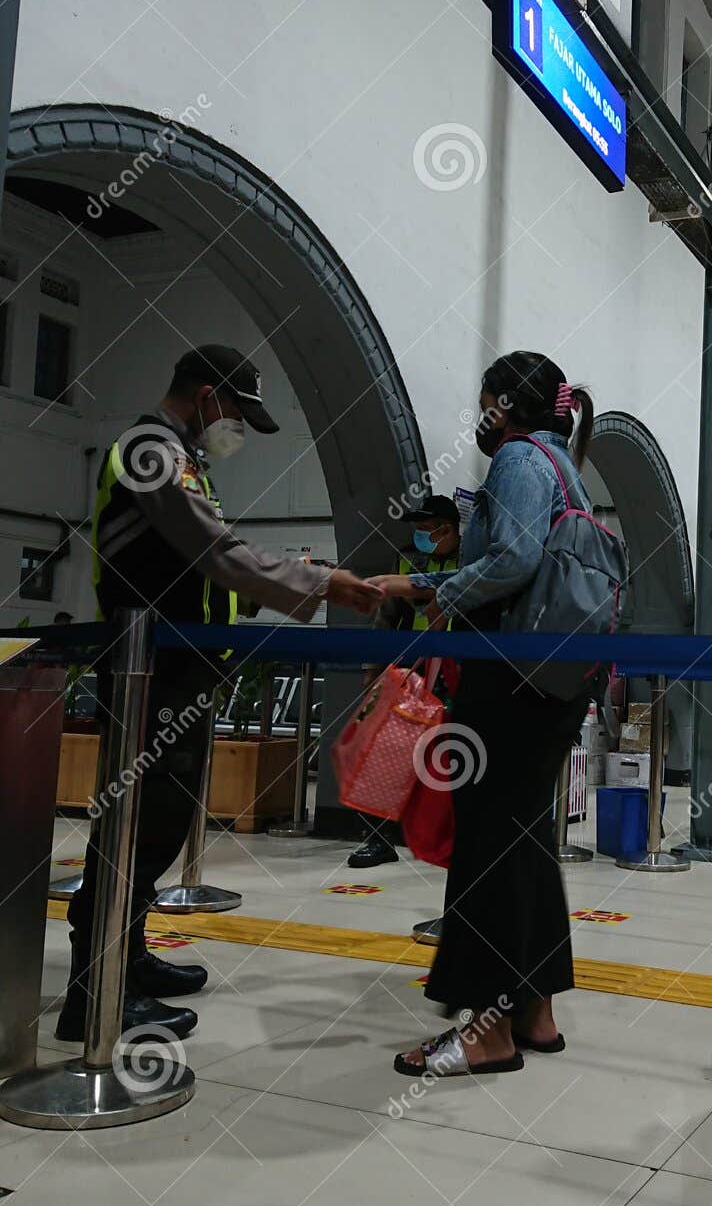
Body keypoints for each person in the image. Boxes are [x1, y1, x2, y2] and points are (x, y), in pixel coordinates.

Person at [57, 344, 381, 1042]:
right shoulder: (149, 450)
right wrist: (322, 581)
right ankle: (95, 992)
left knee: (161, 822)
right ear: (207, 396)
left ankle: (128, 959)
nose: (236, 425)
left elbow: (216, 558)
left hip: (181, 670)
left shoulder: (182, 457)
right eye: (235, 409)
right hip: (148, 670)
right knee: (136, 828)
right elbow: (218, 553)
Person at [372, 352, 598, 1078]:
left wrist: (443, 594)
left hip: (507, 678)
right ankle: (534, 1010)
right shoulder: (563, 463)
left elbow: (512, 560)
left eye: (484, 402)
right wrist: (418, 581)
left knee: (488, 844)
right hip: (550, 681)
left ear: (503, 404)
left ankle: (487, 1030)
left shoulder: (517, 462)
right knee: (525, 841)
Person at [345, 495, 460, 879]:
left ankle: (447, 836)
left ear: (451, 528)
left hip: (458, 672)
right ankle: (378, 838)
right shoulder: (409, 561)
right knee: (385, 751)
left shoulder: (474, 559)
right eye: (419, 530)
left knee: (452, 757)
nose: (424, 537)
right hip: (410, 670)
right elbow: (385, 619)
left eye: (431, 530)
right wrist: (372, 671)